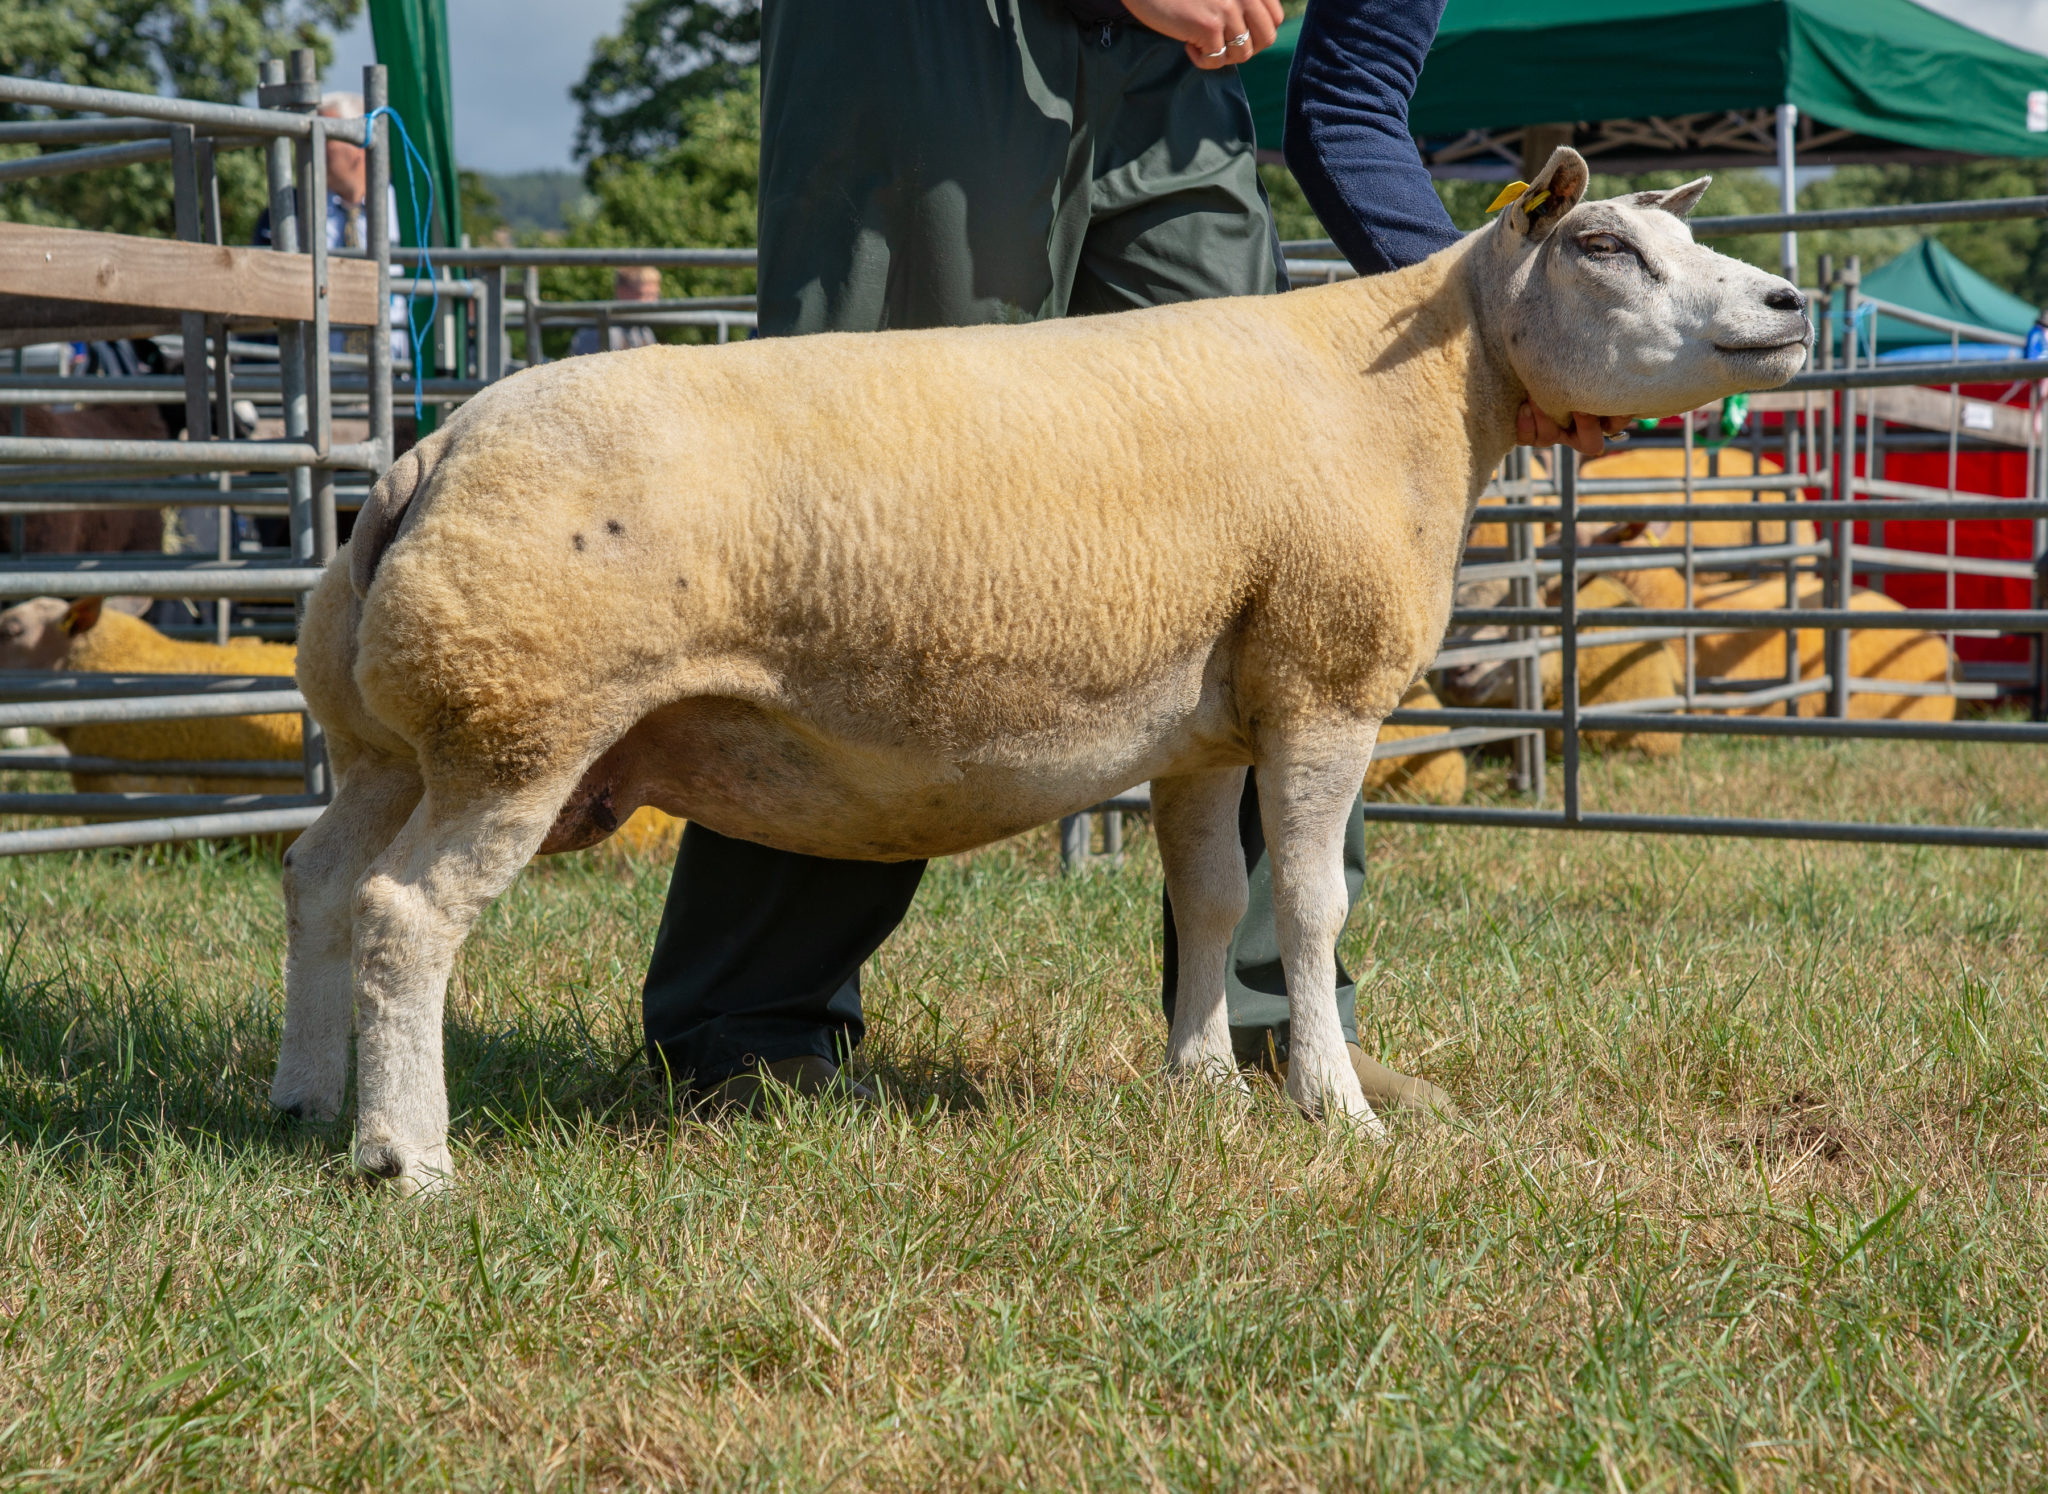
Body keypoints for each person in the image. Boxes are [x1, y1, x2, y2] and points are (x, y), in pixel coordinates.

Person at [641, 0, 1623, 1114]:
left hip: (1175, 83)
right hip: (931, 33)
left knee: (1285, 510)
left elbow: (1348, 100)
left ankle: (1271, 1028)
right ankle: (751, 1023)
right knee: (884, 498)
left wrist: (1507, 338)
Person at [569, 266, 663, 356]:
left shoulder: (644, 330)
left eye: (655, 295)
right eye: (646, 295)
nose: (653, 302)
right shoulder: (599, 331)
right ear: (623, 292)